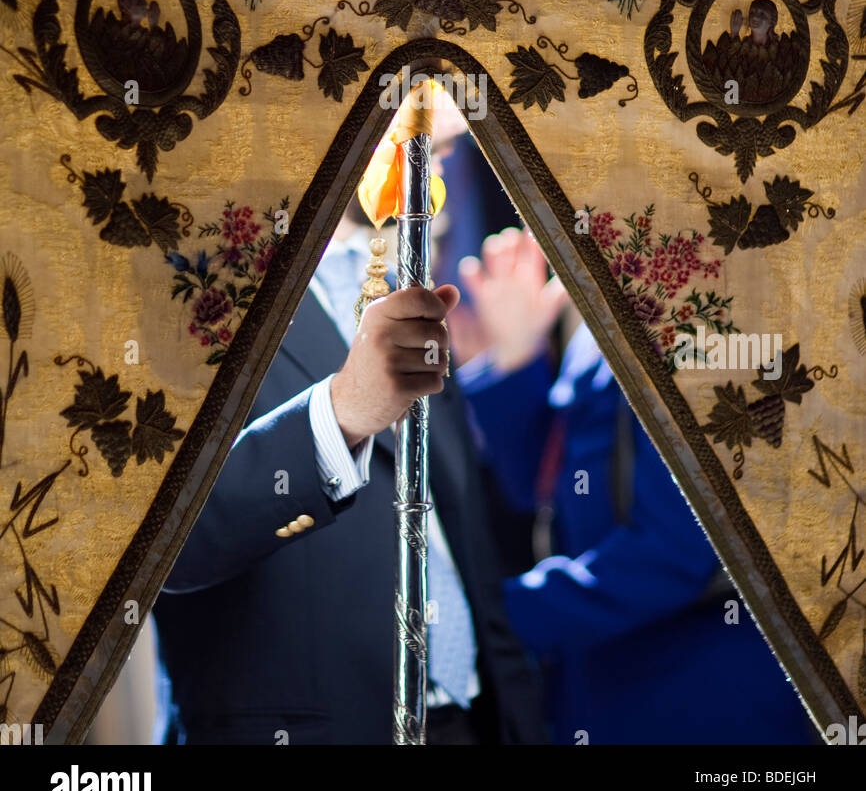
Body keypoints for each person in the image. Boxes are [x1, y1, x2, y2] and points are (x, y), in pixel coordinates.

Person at [151, 203, 547, 746]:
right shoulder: (176, 278)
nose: (440, 147)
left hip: (472, 720)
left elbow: (466, 530)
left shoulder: (404, 278)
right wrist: (339, 416)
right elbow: (158, 542)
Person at [456, 226, 818, 746]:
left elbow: (678, 553)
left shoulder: (706, 307)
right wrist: (516, 357)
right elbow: (554, 492)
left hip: (700, 704)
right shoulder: (618, 295)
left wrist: (489, 620)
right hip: (606, 688)